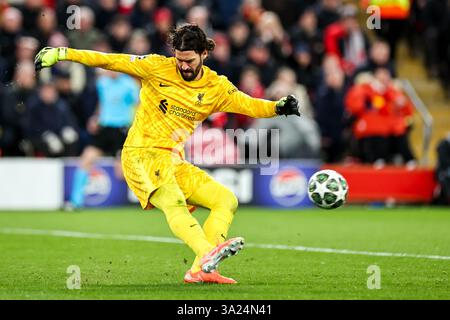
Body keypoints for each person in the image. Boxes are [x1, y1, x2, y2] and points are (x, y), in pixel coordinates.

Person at [34, 24, 301, 284]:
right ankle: (207, 251)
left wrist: (277, 107)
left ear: (204, 55)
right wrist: (63, 53)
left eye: (189, 60)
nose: (183, 66)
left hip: (174, 159)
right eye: (179, 59)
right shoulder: (156, 67)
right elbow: (110, 61)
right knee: (173, 202)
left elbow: (248, 104)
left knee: (226, 200)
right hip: (142, 154)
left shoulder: (216, 87)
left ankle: (200, 269)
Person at [68, 68, 140, 209]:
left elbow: (138, 106)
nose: (111, 71)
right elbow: (102, 104)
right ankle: (75, 202)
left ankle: (147, 197)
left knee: (121, 172)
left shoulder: (130, 84)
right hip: (105, 128)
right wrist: (96, 117)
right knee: (86, 159)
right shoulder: (102, 83)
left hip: (122, 130)